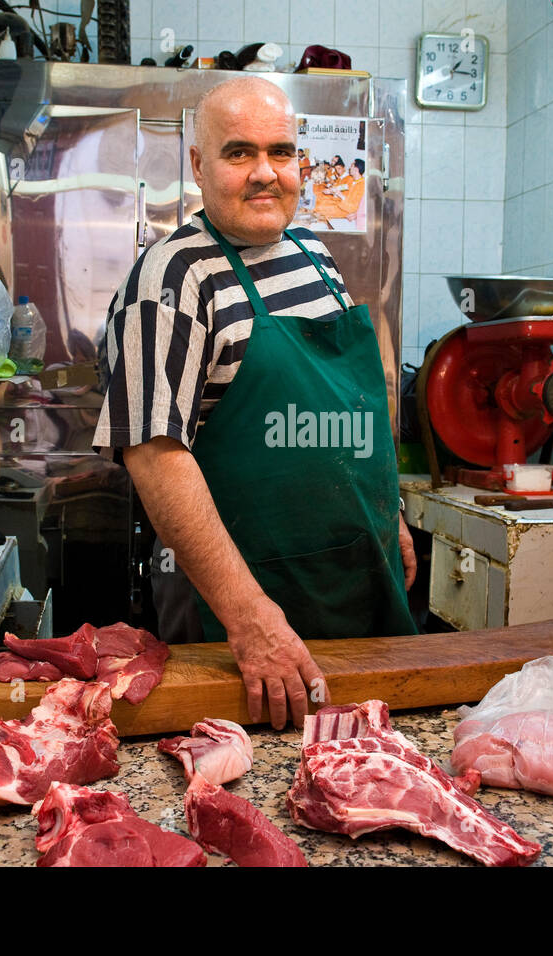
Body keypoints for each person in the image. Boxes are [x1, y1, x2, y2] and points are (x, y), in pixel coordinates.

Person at [92, 77, 417, 730]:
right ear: (198, 166)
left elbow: (344, 408)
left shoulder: (313, 254)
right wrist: (250, 618)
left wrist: (390, 515)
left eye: (281, 152)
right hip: (243, 618)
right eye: (239, 153)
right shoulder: (171, 280)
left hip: (350, 587)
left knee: (367, 783)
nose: (266, 174)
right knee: (251, 784)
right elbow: (154, 455)